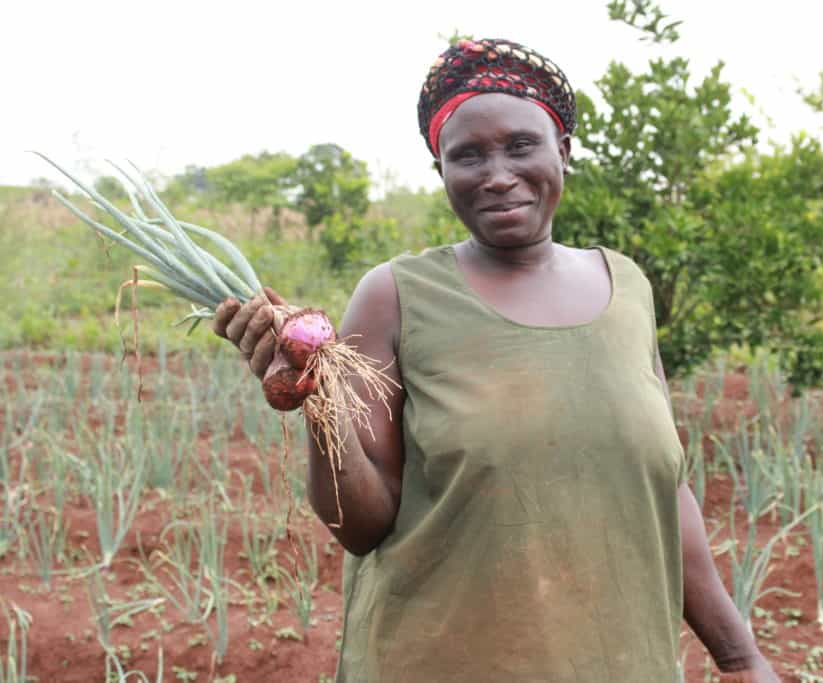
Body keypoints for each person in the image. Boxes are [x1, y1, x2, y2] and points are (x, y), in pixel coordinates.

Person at [214, 38, 779, 683]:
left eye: (520, 146)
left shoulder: (627, 289)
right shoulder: (396, 295)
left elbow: (663, 487)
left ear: (562, 153)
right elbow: (362, 525)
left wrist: (740, 656)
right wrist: (318, 399)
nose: (497, 174)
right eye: (468, 156)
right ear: (441, 172)